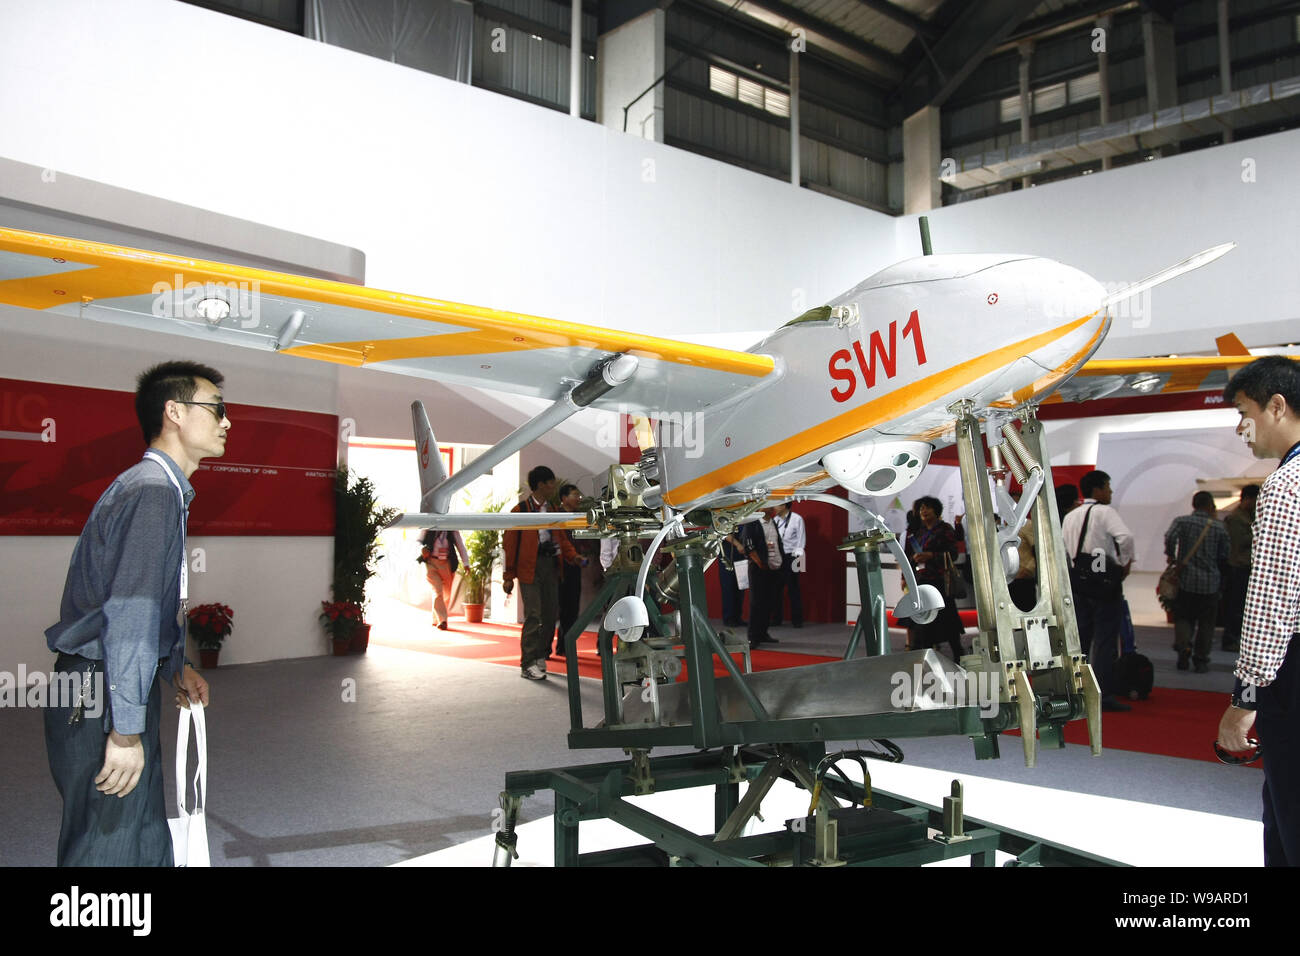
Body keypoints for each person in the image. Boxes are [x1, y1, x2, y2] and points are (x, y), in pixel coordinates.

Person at [44, 361, 217, 866]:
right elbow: (131, 614)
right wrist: (123, 732)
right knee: (108, 840)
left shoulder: (159, 489)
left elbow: (145, 606)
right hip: (99, 692)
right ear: (174, 412)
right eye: (217, 409)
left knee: (138, 836)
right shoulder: (153, 491)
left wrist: (174, 667)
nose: (228, 422)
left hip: (110, 686)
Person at [1215, 356, 1300, 867]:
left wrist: (1245, 698)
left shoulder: (1286, 486)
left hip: (1293, 676)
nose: (1239, 428)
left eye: (1243, 412)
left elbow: (1273, 602)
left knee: (1290, 811)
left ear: (1276, 405)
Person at [1061, 470, 1134, 712]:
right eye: (1108, 486)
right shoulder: (1105, 512)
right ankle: (1102, 694)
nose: (1110, 491)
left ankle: (1076, 690)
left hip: (1077, 581)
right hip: (1102, 583)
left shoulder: (1071, 516)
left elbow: (1062, 547)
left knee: (1080, 639)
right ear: (1097, 489)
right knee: (1105, 641)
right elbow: (1125, 537)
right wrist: (1125, 564)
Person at [502, 466, 580, 681]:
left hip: (551, 566)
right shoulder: (520, 511)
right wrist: (508, 576)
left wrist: (573, 556)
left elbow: (562, 539)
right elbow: (509, 544)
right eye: (550, 483)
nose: (554, 486)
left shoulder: (553, 509)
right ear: (540, 485)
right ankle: (527, 662)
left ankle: (539, 656)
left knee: (550, 614)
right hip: (529, 568)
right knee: (534, 615)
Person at [1163, 491, 1229, 673]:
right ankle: (1201, 659)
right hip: (1210, 584)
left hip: (1186, 581)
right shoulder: (1219, 527)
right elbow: (1225, 554)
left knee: (1184, 617)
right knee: (1207, 624)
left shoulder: (1182, 521)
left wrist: (1171, 555)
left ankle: (1184, 646)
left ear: (1194, 504)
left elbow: (1170, 537)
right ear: (1210, 505)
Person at [903, 496, 964, 661]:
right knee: (923, 621)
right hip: (923, 580)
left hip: (940, 580)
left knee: (948, 619)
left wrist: (930, 555)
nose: (924, 511)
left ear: (936, 510)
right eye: (921, 508)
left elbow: (953, 553)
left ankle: (958, 654)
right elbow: (909, 554)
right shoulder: (919, 532)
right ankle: (926, 656)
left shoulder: (945, 529)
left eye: (927, 507)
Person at [728, 510, 780, 648]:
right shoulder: (752, 524)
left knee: (768, 602)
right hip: (758, 567)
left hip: (773, 567)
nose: (774, 507)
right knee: (756, 602)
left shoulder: (772, 522)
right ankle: (753, 637)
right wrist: (760, 563)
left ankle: (763, 633)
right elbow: (749, 547)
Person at [554, 483, 591, 656]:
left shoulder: (578, 517)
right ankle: (555, 646)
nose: (578, 499)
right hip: (560, 568)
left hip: (575, 566)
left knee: (572, 608)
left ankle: (565, 646)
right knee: (560, 609)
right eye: (574, 495)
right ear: (564, 498)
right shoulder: (556, 517)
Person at [1221, 484, 1259, 652]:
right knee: (1236, 607)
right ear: (1248, 499)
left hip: (1246, 567)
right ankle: (1230, 639)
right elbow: (1239, 543)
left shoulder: (1248, 517)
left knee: (1242, 607)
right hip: (1239, 568)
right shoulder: (1237, 518)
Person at [771, 501, 805, 628]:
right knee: (775, 590)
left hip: (793, 557)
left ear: (784, 505)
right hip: (778, 557)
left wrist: (798, 561)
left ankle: (797, 620)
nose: (774, 507)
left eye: (776, 505)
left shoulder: (797, 519)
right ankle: (776, 619)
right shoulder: (774, 520)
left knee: (794, 588)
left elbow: (801, 541)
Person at [418, 529, 459, 630]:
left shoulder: (452, 528)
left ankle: (435, 618)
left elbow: (460, 544)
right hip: (431, 562)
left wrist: (466, 563)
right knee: (437, 590)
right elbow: (418, 541)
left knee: (446, 593)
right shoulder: (428, 525)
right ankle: (443, 620)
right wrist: (422, 549)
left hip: (447, 563)